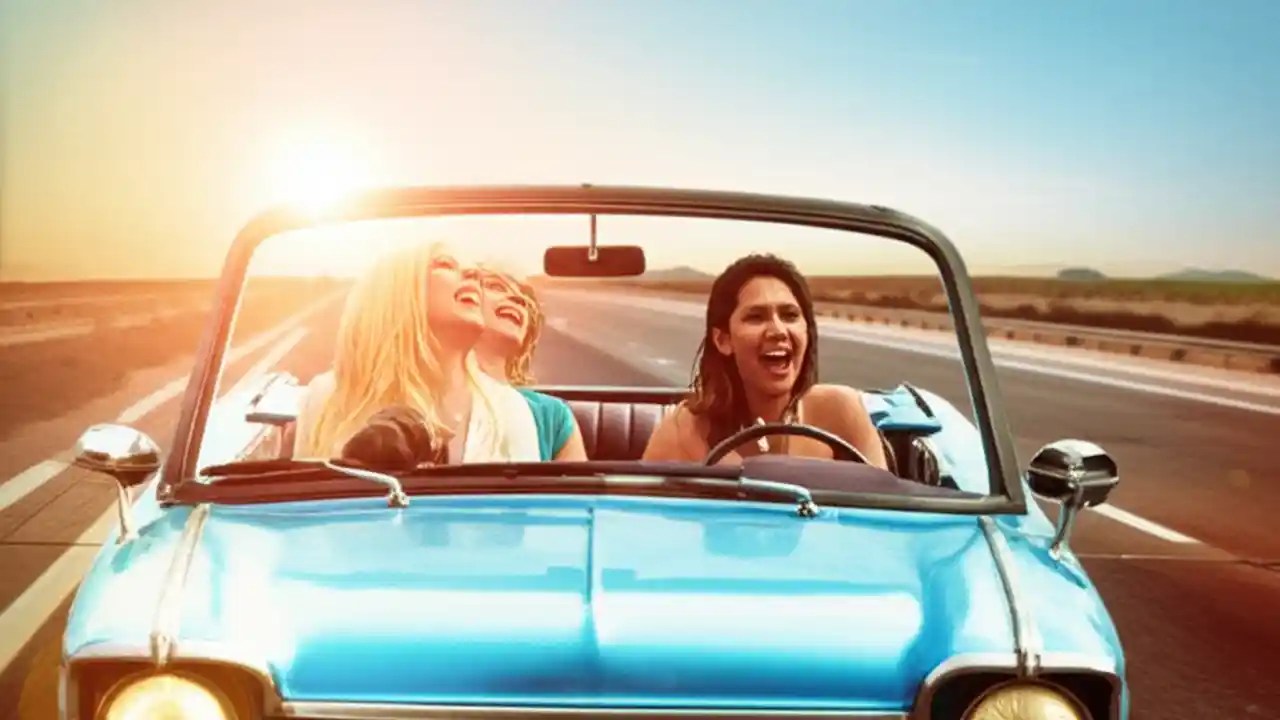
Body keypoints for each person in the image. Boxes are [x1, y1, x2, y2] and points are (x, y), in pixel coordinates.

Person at [293, 240, 541, 463]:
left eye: (472, 270)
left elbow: (528, 511)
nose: (473, 273)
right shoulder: (327, 397)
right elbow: (307, 507)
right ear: (396, 291)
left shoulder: (509, 409)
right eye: (445, 264)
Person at [641, 253, 889, 469]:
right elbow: (643, 518)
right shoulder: (682, 432)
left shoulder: (841, 412)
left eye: (790, 315)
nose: (778, 331)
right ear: (723, 340)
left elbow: (887, 513)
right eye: (756, 317)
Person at [473, 261, 588, 461]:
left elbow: (573, 492)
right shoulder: (420, 401)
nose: (517, 299)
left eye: (525, 302)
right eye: (495, 286)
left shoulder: (552, 417)